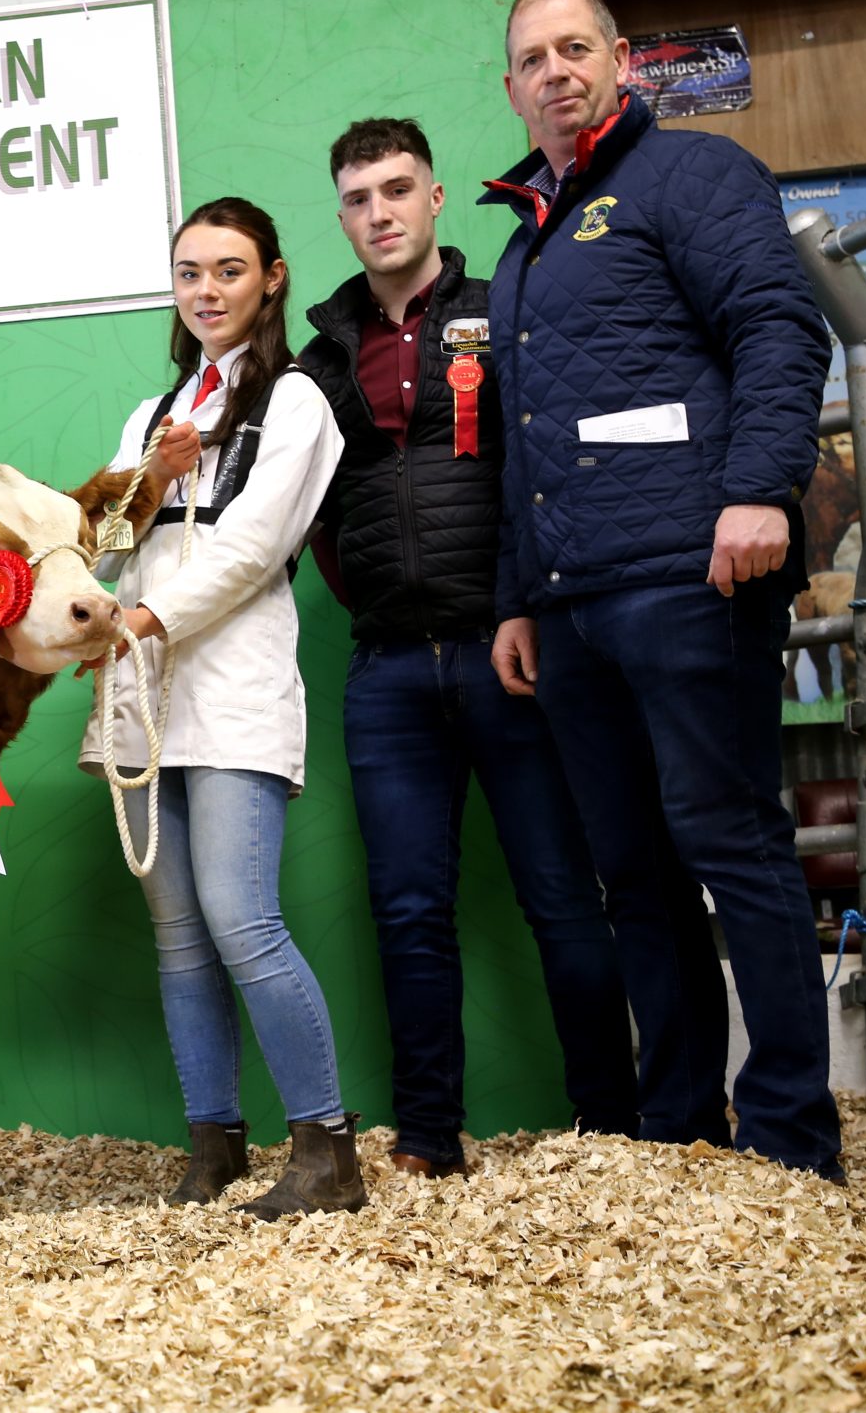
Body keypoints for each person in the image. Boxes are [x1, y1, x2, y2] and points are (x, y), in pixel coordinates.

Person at [482, 0, 845, 1180]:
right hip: (574, 605)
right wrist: (516, 597)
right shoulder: (521, 237)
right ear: (510, 87)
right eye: (531, 58)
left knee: (727, 842)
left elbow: (778, 330)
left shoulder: (691, 175)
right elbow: (523, 442)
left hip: (690, 575)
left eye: (573, 48)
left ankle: (792, 1135)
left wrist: (760, 490)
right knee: (631, 874)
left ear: (620, 59)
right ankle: (679, 1130)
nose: (554, 72)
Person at [297, 116, 638, 1178]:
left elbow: (544, 465)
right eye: (357, 198)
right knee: (406, 913)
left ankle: (613, 1129)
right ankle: (430, 1141)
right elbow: (309, 512)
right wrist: (383, 600)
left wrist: (514, 605)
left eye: (396, 190)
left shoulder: (504, 310)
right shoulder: (321, 354)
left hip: (512, 652)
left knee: (558, 895)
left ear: (436, 198)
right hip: (386, 672)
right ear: (341, 215)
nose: (378, 213)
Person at [77, 196, 363, 1220]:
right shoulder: (150, 417)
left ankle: (327, 1151)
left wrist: (144, 618)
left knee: (243, 921)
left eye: (229, 271)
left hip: (232, 686)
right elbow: (98, 548)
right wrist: (142, 485)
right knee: (179, 940)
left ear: (272, 279)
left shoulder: (294, 402)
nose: (207, 291)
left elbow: (250, 551)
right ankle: (213, 1143)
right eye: (190, 272)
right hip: (143, 698)